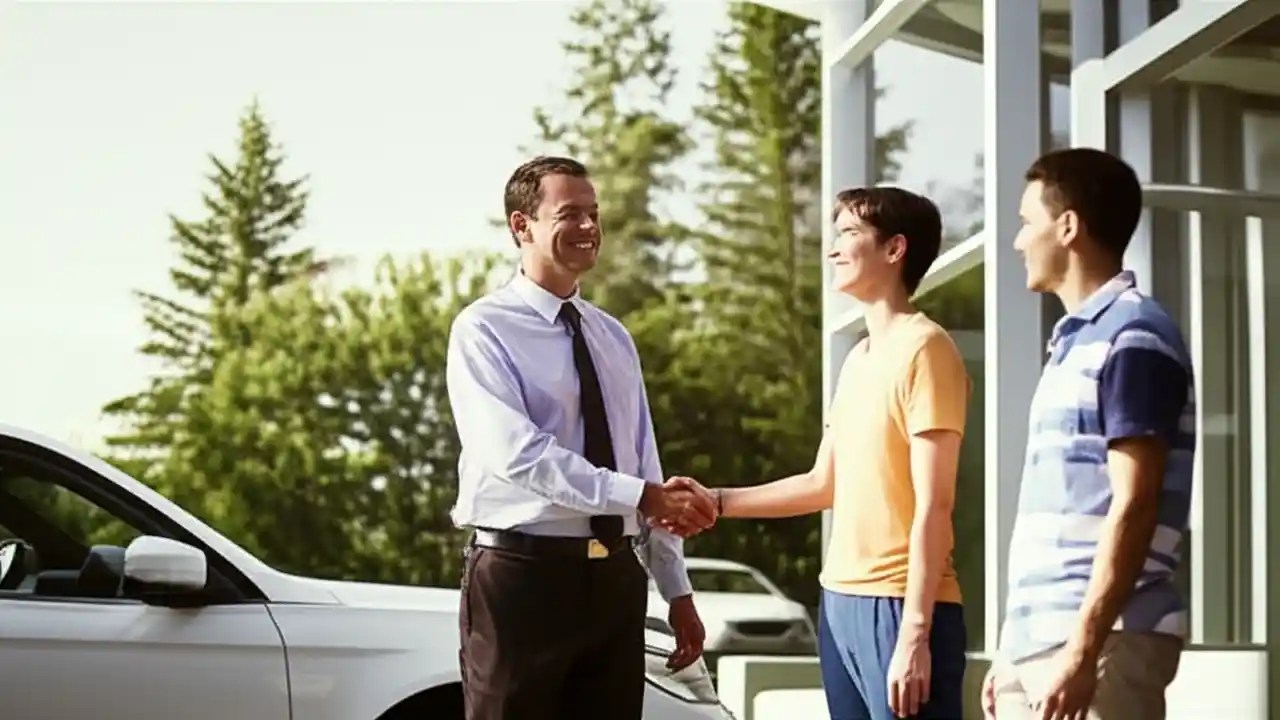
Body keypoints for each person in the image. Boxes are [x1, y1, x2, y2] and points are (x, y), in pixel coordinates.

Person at [665, 186, 972, 720]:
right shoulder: (857, 359)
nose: (833, 249)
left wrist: (916, 634)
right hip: (840, 601)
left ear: (895, 249)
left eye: (849, 234)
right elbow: (821, 483)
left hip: (900, 604)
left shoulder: (928, 349)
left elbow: (935, 506)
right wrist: (715, 500)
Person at [446, 155, 717, 720]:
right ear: (522, 226)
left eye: (595, 214)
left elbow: (645, 464)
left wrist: (677, 590)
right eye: (571, 214)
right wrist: (641, 496)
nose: (591, 228)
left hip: (614, 581)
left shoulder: (613, 337)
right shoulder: (483, 329)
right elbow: (515, 455)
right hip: (522, 581)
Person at [980, 148, 1195, 720]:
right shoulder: (1073, 343)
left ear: (1068, 225)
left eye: (1028, 223)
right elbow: (1056, 507)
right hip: (1041, 645)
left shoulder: (1135, 336)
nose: (1019, 241)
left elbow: (1134, 502)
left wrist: (1083, 648)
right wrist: (1010, 647)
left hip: (1105, 643)